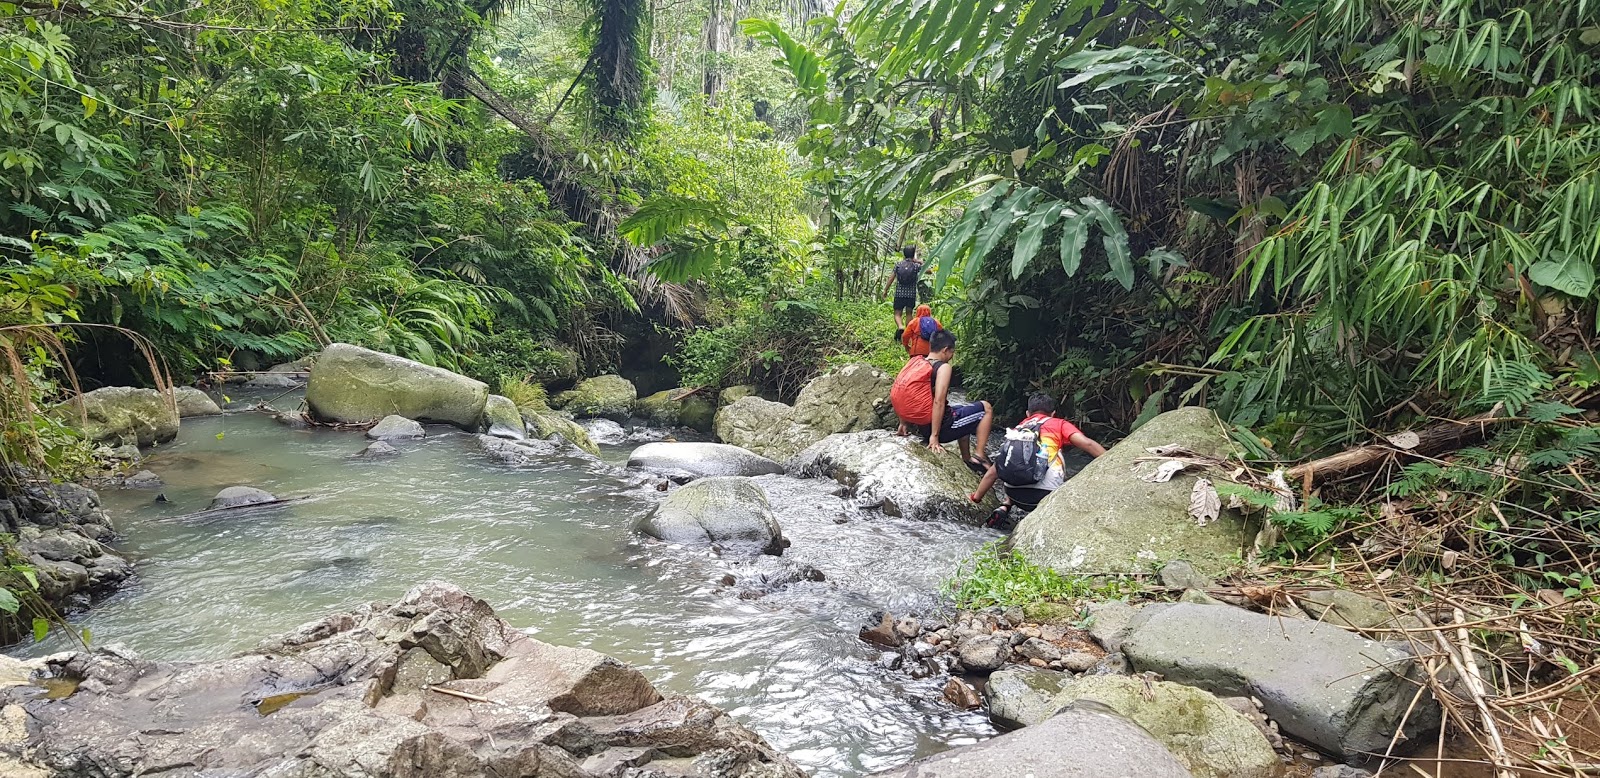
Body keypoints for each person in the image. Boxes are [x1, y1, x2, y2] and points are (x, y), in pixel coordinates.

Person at [969, 393, 1107, 522]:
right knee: (1054, 453)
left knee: (1014, 459)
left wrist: (976, 497)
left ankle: (1006, 505)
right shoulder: (1059, 424)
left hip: (1015, 495)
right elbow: (1087, 444)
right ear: (1053, 413)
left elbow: (994, 471)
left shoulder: (1019, 429)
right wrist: (1111, 460)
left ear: (1027, 413)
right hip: (1044, 496)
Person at [889, 330, 994, 472]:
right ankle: (979, 455)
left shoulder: (917, 362)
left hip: (923, 427)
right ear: (945, 350)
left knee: (961, 409)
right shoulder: (943, 368)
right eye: (952, 352)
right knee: (986, 408)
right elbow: (939, 401)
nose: (952, 356)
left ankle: (967, 458)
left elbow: (901, 391)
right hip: (944, 428)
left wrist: (903, 422)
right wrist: (935, 437)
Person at [884, 245, 934, 329]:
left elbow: (891, 278)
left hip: (899, 294)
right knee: (909, 313)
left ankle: (900, 326)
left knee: (897, 313)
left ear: (904, 254)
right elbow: (929, 271)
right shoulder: (916, 266)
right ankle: (907, 330)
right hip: (911, 295)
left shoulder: (898, 265)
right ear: (913, 254)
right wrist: (920, 262)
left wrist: (885, 290)